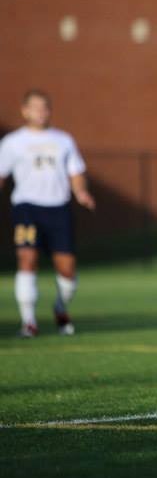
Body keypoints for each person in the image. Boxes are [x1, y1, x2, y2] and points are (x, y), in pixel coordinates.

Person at [0, 89, 96, 338]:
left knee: (67, 268)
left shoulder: (63, 140)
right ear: (25, 111)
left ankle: (60, 307)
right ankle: (29, 321)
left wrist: (81, 193)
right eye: (35, 107)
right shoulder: (13, 142)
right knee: (27, 258)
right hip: (27, 207)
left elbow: (75, 173)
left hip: (58, 208)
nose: (41, 112)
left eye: (45, 107)